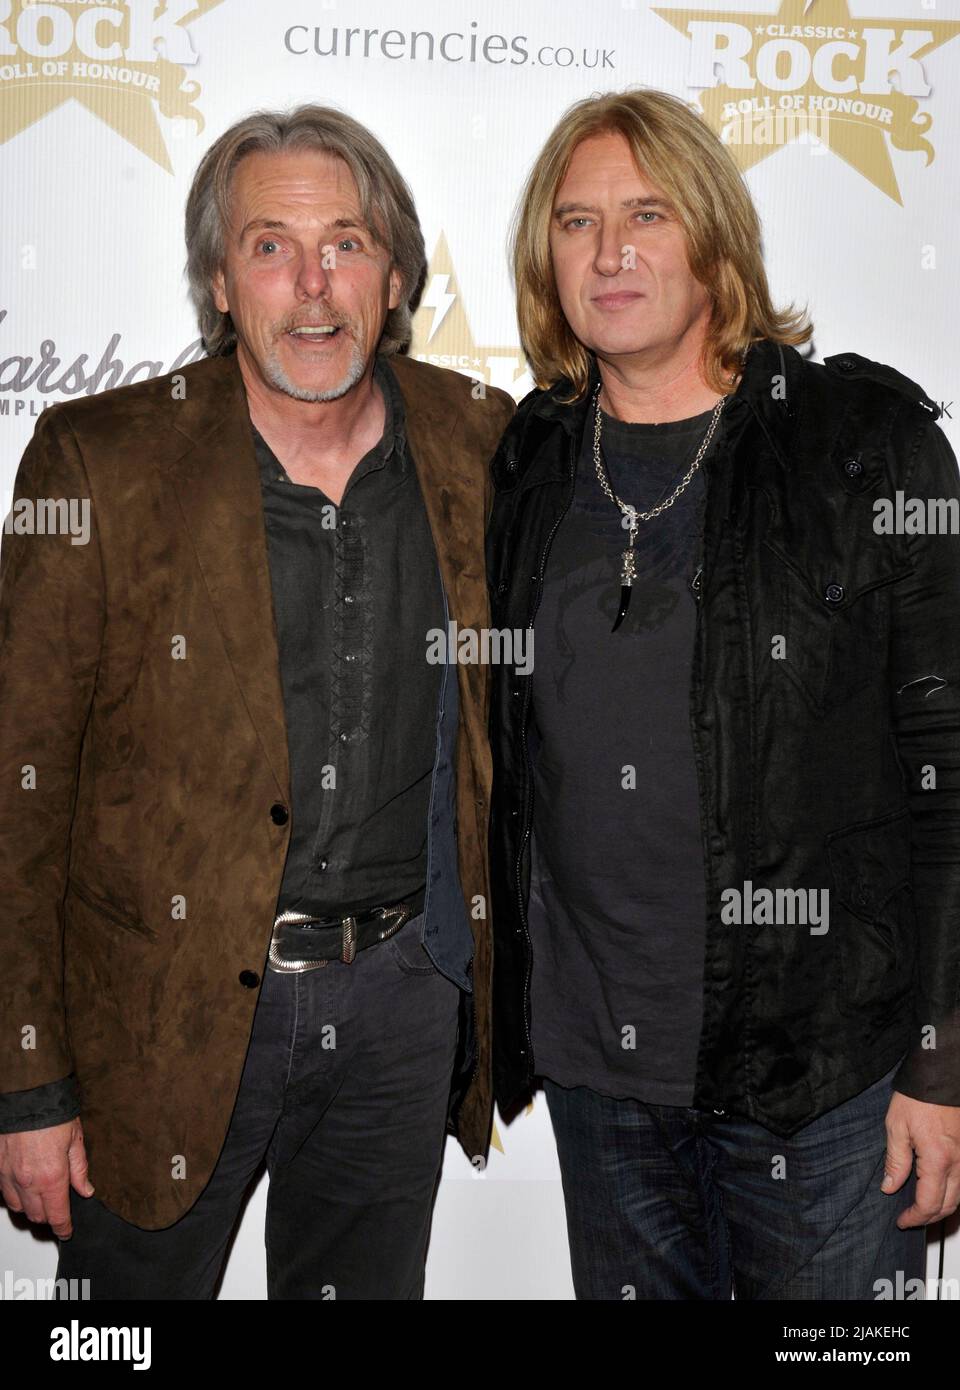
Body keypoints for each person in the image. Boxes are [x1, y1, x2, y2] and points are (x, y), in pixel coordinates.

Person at [0, 104, 514, 1299]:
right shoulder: (97, 462)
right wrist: (27, 1080)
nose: (314, 285)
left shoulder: (482, 444)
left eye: (345, 242)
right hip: (157, 1012)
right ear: (220, 282)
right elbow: (17, 790)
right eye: (270, 247)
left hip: (400, 1000)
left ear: (395, 273)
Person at [486, 87, 960, 1300]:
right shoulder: (532, 458)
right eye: (577, 220)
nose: (610, 251)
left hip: (828, 1080)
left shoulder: (860, 440)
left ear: (712, 236)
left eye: (647, 212)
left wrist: (941, 1058)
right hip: (603, 1079)